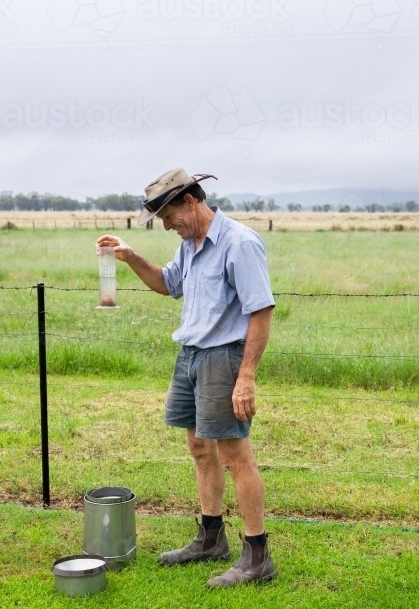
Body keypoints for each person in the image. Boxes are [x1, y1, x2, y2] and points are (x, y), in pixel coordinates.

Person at [95, 168, 276, 588]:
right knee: (198, 447)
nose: (167, 225)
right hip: (190, 355)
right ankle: (211, 538)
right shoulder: (191, 245)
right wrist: (130, 256)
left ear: (191, 202)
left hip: (223, 358)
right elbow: (166, 283)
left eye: (168, 216)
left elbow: (261, 311)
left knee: (235, 454)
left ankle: (258, 556)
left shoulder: (239, 243)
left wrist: (246, 376)